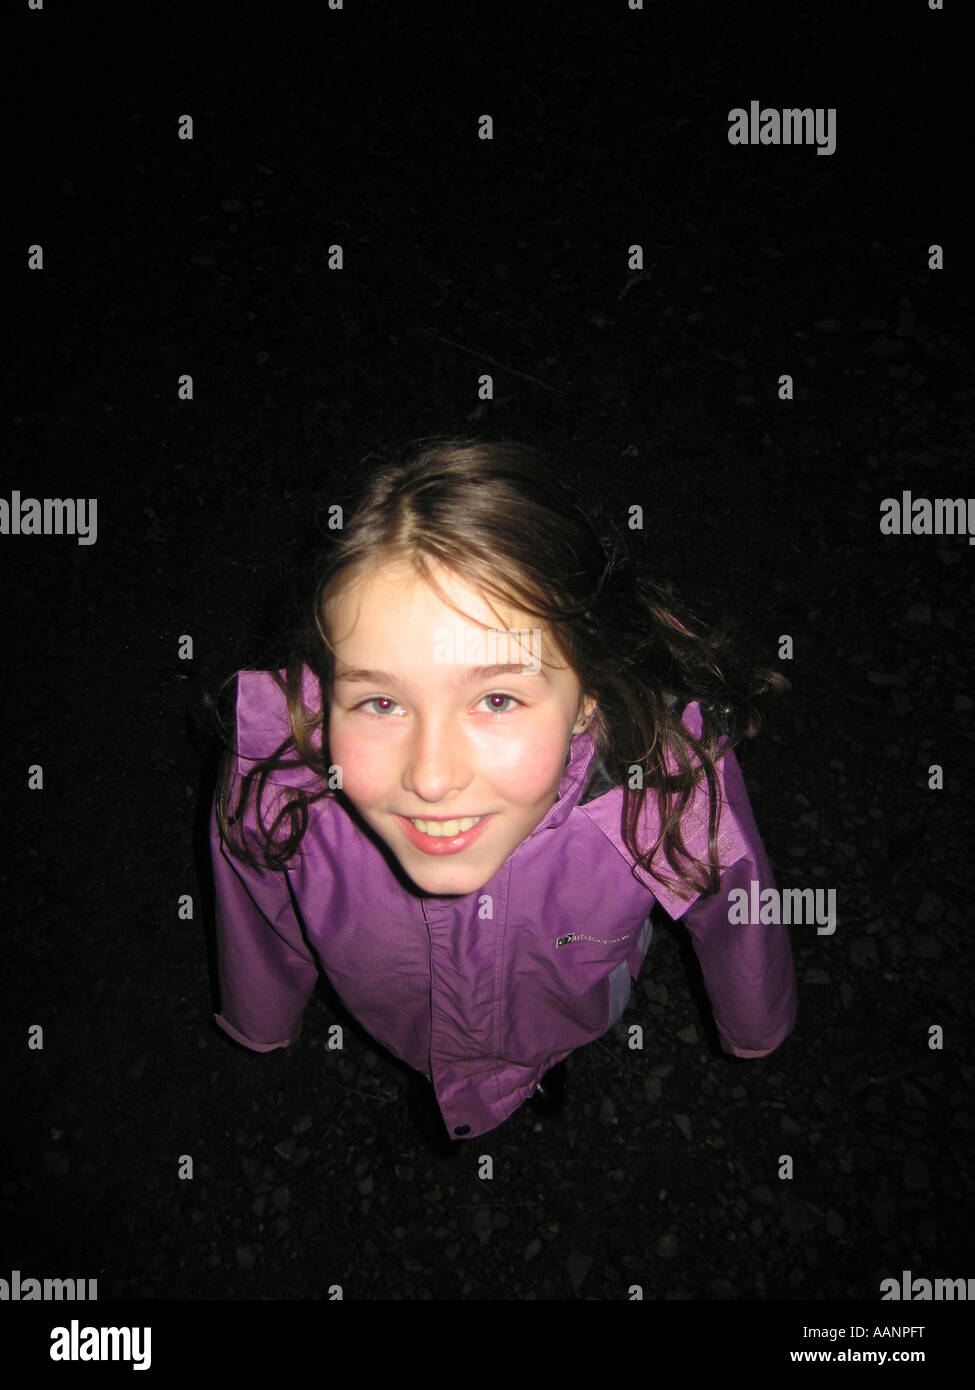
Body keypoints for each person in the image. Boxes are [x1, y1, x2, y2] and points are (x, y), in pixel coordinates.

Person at [209, 437, 797, 1156]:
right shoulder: (281, 772)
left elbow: (732, 900)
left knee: (553, 1042)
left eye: (495, 697)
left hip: (571, 1010)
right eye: (380, 703)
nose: (429, 777)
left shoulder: (659, 777)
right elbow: (255, 910)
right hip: (400, 1027)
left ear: (585, 698)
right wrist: (261, 1014)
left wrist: (752, 1015)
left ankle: (541, 1071)